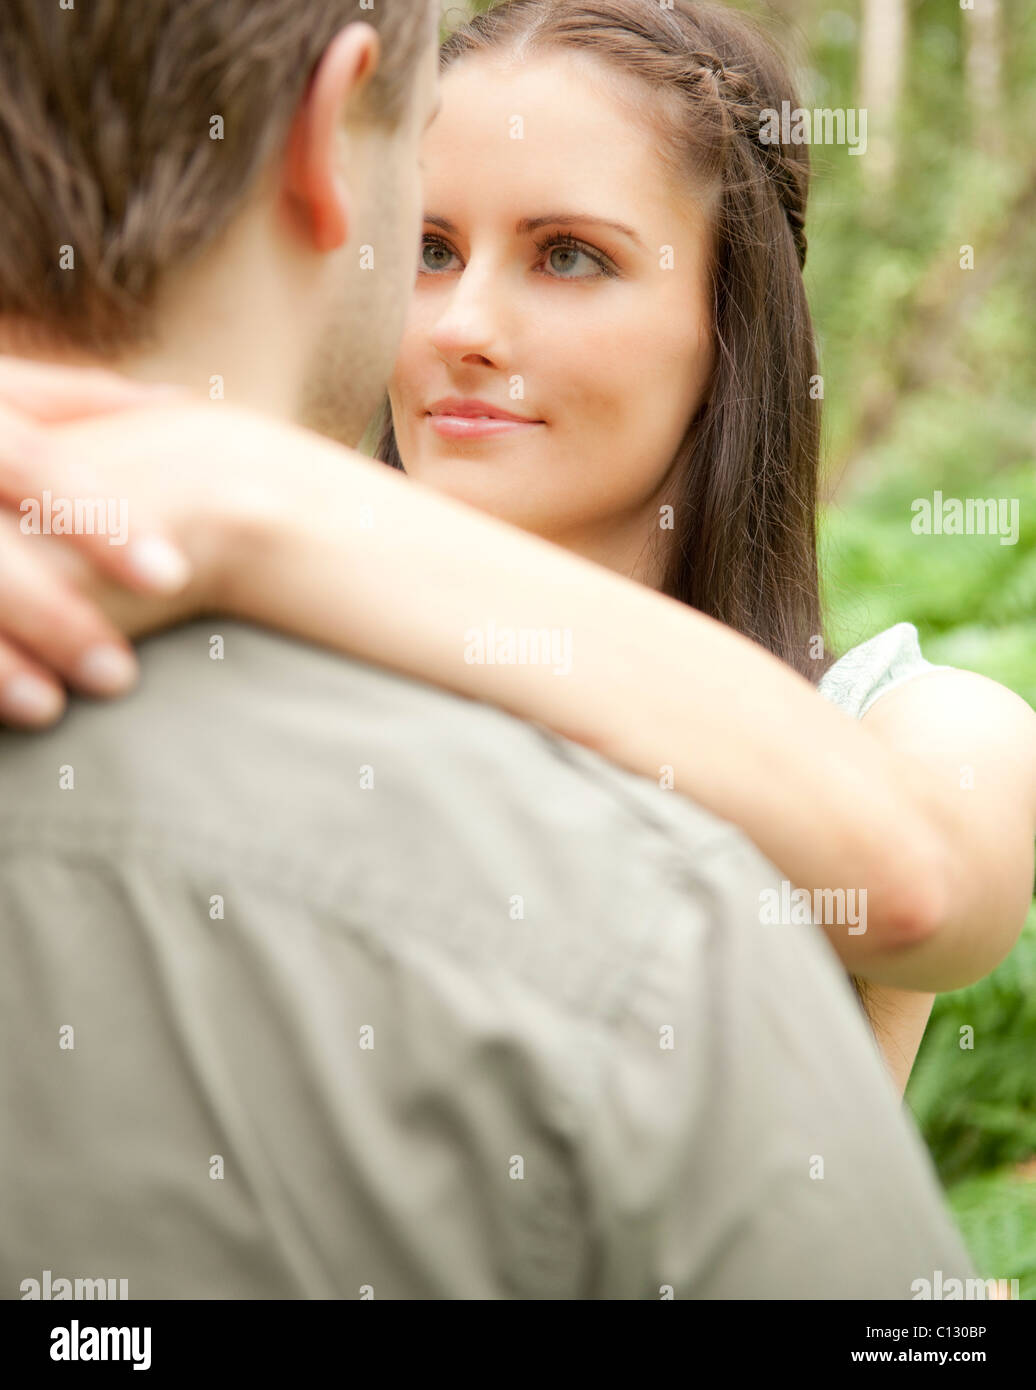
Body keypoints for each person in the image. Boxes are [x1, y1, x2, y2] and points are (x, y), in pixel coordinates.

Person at [0, 0, 983, 1298]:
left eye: (570, 256)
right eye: (424, 246)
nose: (464, 323)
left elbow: (916, 880)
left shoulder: (921, 722)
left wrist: (261, 494)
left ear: (728, 321)